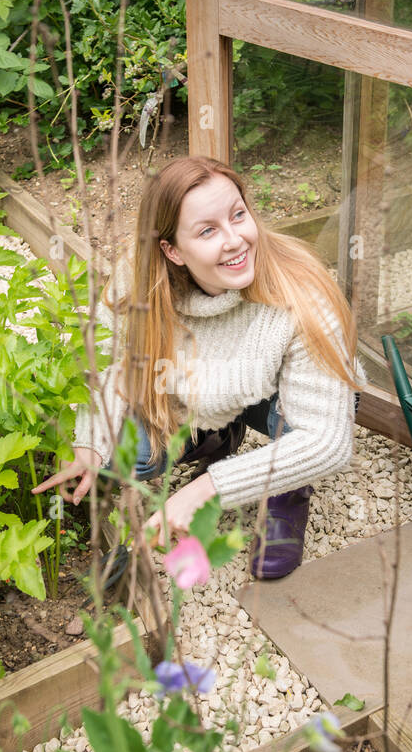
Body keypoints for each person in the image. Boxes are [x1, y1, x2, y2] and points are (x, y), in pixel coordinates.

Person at [31, 155, 367, 579]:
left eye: (238, 215)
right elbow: (107, 359)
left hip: (282, 398)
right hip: (210, 391)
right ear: (172, 251)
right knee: (119, 459)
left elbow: (327, 440)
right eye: (208, 230)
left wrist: (208, 489)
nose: (235, 240)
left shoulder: (302, 292)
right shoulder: (137, 279)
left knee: (308, 426)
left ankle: (285, 489)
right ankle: (215, 434)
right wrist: (89, 441)